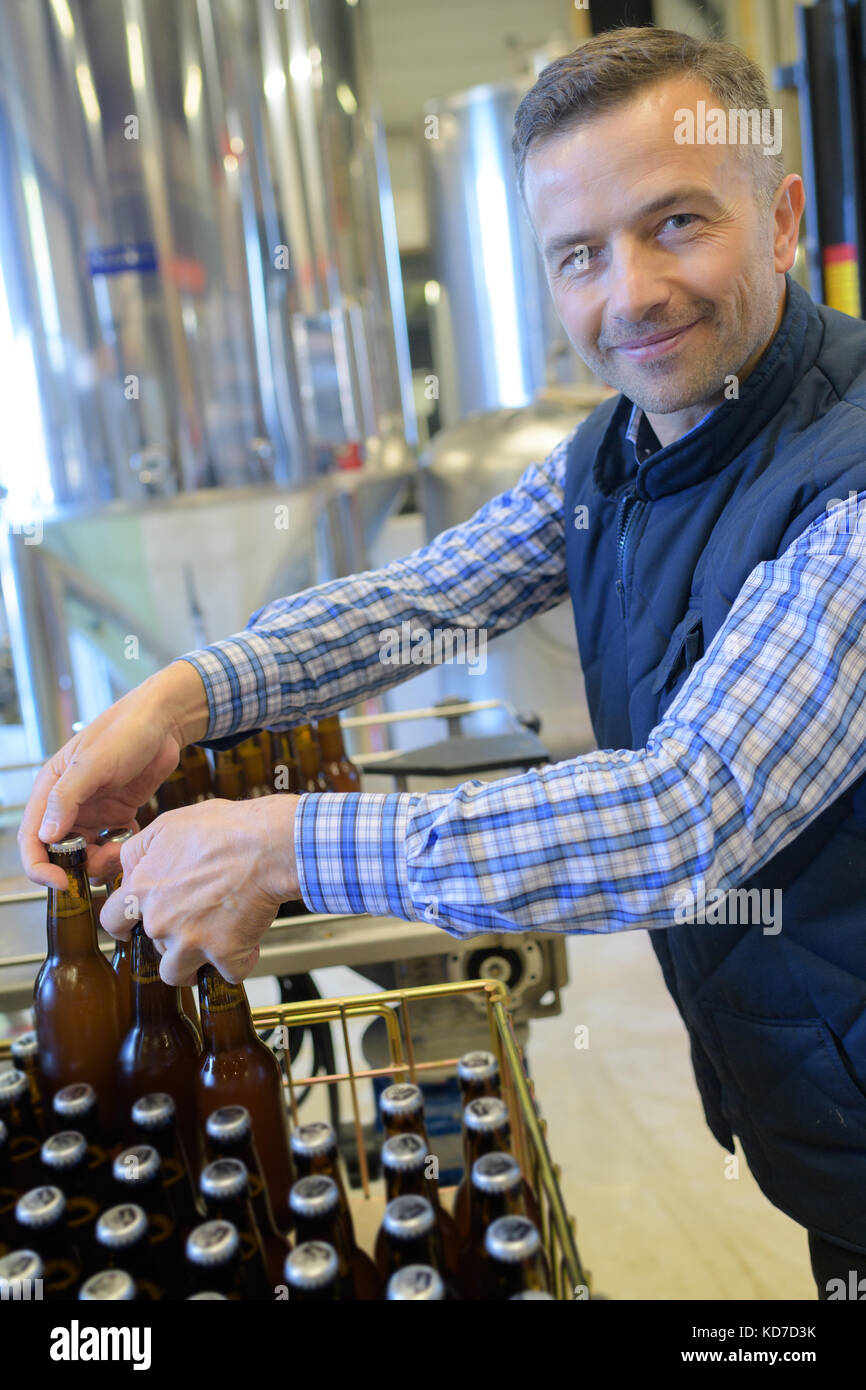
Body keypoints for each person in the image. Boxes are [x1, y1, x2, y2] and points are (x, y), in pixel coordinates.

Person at [18, 28, 866, 1300]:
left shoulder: (846, 484)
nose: (627, 292)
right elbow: (419, 598)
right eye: (578, 254)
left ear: (782, 217)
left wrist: (288, 844)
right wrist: (178, 697)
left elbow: (688, 812)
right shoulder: (619, 454)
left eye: (676, 222)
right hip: (816, 1097)